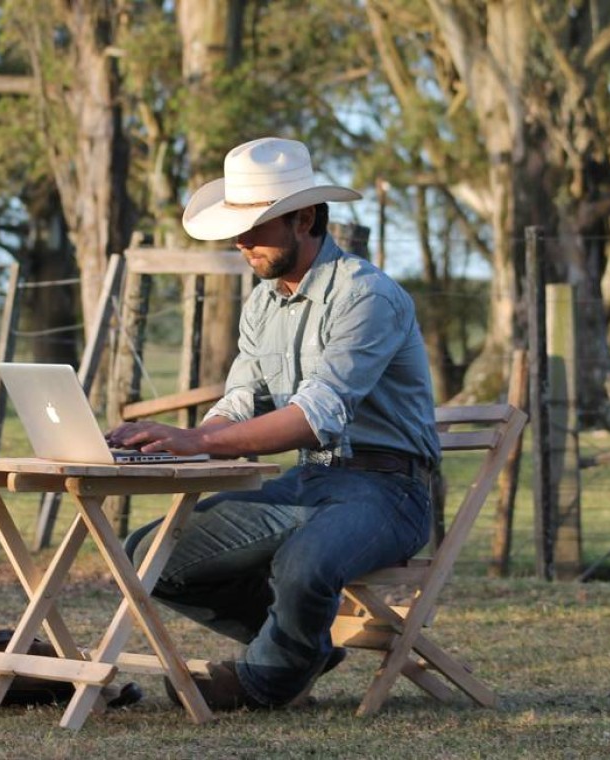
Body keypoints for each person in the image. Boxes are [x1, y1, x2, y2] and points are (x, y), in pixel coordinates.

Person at [108, 137, 440, 710]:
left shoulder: (367, 295)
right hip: (311, 481)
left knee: (305, 561)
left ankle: (267, 679)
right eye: (238, 227)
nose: (241, 242)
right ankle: (301, 646)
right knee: (150, 554)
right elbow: (241, 399)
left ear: (304, 218)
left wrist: (197, 440)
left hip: (390, 492)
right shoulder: (263, 304)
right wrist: (170, 445)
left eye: (256, 227)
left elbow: (316, 416)